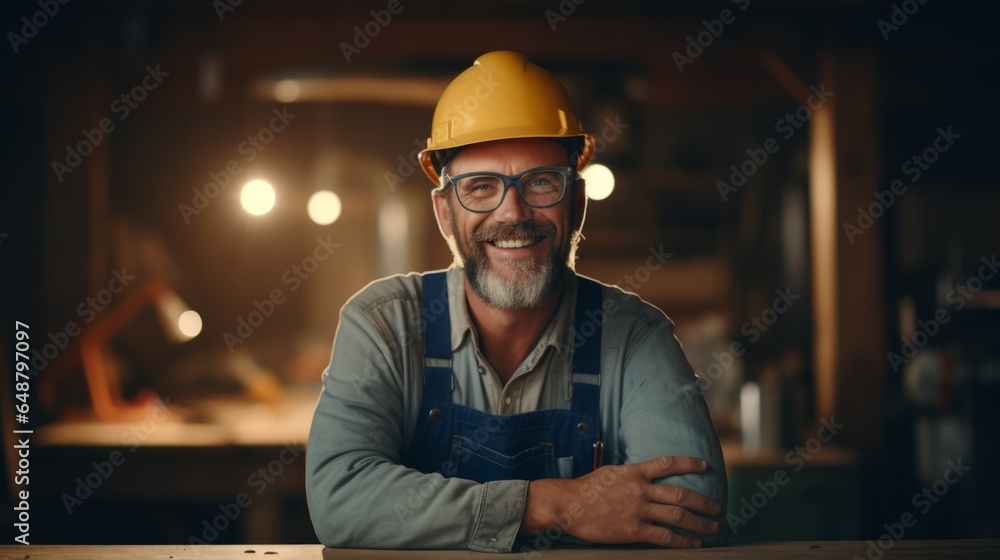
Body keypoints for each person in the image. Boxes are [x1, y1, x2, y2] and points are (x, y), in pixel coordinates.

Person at [306, 50, 727, 552]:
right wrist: (558, 504)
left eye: (540, 182)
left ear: (576, 202)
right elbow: (341, 501)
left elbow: (690, 510)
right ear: (444, 214)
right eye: (480, 188)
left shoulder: (634, 338)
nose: (513, 212)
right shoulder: (385, 325)